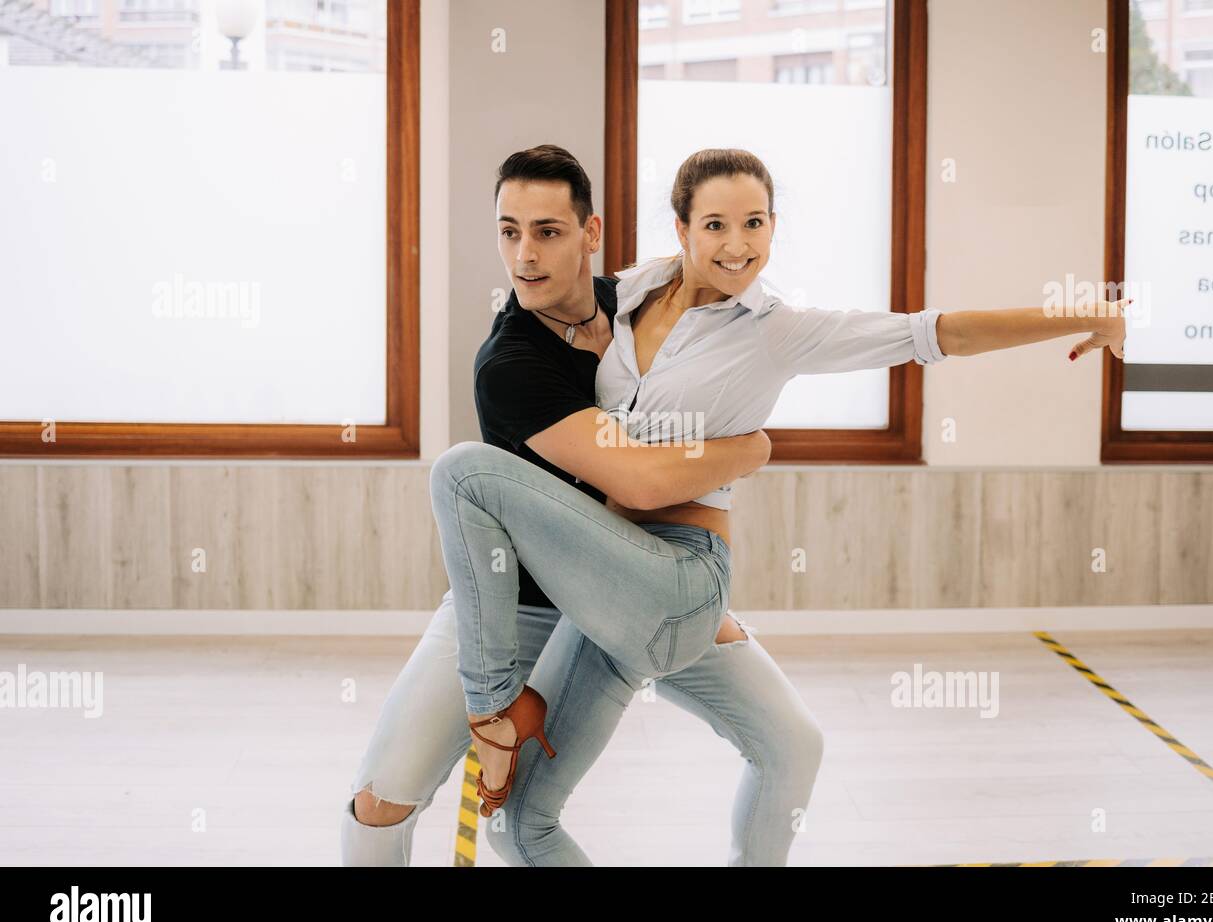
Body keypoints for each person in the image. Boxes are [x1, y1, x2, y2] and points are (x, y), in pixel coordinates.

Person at [430, 146, 1130, 862]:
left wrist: (1075, 313)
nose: (737, 246)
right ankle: (503, 706)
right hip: (614, 587)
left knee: (463, 474)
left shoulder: (777, 331)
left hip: (678, 576)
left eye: (755, 224)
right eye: (715, 225)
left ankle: (491, 709)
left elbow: (933, 332)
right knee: (523, 821)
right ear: (681, 229)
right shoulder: (635, 293)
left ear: (773, 229)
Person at [342, 145, 824, 866]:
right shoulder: (510, 365)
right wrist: (753, 450)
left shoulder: (634, 303)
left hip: (631, 581)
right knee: (382, 798)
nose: (524, 255)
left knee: (794, 745)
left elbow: (732, 284)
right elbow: (638, 479)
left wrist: (1046, 322)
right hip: (523, 602)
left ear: (590, 233)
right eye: (509, 232)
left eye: (547, 231)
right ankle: (489, 716)